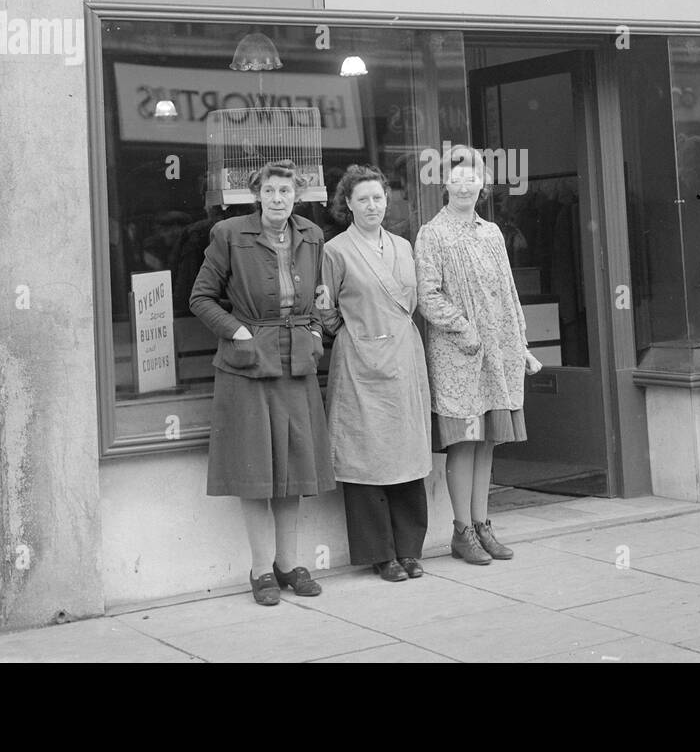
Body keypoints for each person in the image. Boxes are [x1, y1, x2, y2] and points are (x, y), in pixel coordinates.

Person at [189, 159, 335, 605]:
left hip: (296, 367)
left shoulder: (312, 235)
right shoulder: (229, 234)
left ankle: (288, 564)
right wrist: (239, 334)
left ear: (298, 195)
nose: (278, 199)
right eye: (270, 191)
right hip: (248, 368)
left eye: (285, 192)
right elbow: (200, 297)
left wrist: (313, 330)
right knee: (256, 471)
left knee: (293, 469)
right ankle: (260, 571)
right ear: (258, 195)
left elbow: (317, 297)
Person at [415, 145, 542, 564]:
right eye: (457, 176)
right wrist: (463, 328)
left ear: (482, 183)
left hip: (497, 351)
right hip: (458, 353)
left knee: (488, 440)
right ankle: (461, 529)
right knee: (465, 442)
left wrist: (520, 342)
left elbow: (508, 290)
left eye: (473, 176)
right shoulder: (432, 233)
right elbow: (427, 295)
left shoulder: (491, 232)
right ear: (444, 183)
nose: (465, 183)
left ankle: (484, 524)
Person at [318, 164, 433, 582]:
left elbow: (414, 298)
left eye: (378, 197)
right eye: (362, 198)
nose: (372, 206)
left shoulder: (403, 246)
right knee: (367, 456)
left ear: (388, 201)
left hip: (404, 357)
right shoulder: (336, 250)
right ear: (346, 204)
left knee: (406, 452)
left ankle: (409, 549)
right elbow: (324, 310)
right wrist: (358, 336)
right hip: (361, 362)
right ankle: (380, 555)